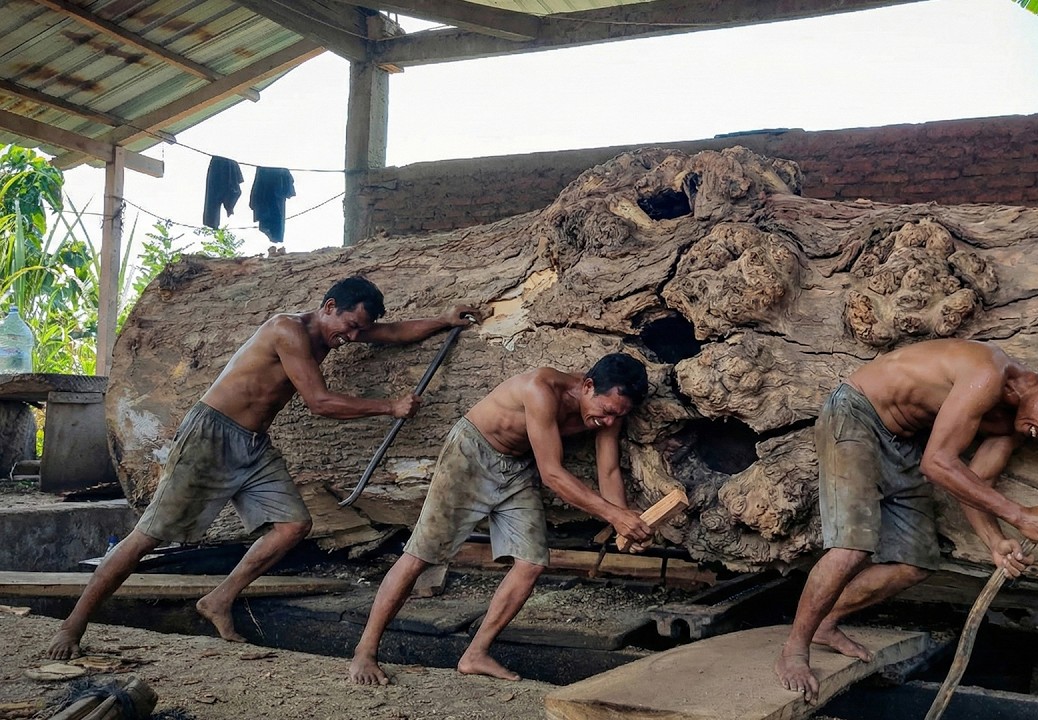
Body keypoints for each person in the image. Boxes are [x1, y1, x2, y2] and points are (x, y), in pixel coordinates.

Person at [47, 276, 478, 660]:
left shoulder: (335, 331)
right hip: (210, 438)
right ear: (329, 307)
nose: (352, 337)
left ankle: (218, 600)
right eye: (349, 326)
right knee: (149, 536)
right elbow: (319, 402)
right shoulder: (286, 329)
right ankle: (74, 624)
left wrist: (445, 320)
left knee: (293, 525)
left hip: (253, 445)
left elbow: (392, 333)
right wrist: (389, 406)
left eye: (359, 330)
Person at [775, 339, 1038, 702]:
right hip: (856, 414)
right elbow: (938, 463)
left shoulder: (1014, 426)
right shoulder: (987, 373)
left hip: (901, 442)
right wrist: (1019, 515)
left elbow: (976, 482)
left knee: (915, 562)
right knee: (851, 549)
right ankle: (795, 650)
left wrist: (996, 543)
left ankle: (825, 623)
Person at [348, 353, 655, 686]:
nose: (609, 422)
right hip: (471, 453)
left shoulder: (613, 408)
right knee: (421, 554)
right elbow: (552, 473)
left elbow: (608, 470)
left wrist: (624, 524)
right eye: (607, 412)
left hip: (518, 466)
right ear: (588, 385)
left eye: (618, 416)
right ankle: (365, 651)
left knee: (532, 561)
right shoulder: (541, 388)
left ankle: (475, 654)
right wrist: (615, 516)